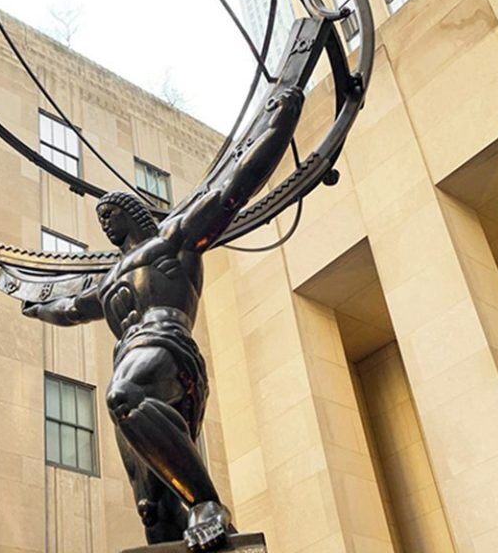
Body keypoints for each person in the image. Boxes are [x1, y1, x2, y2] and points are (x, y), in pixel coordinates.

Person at [22, 86, 303, 552]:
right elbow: (72, 308)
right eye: (101, 219)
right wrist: (32, 302)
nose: (105, 224)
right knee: (152, 511)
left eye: (110, 213)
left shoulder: (174, 240)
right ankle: (190, 527)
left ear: (132, 213)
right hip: (132, 355)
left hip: (167, 350)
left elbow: (233, 189)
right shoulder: (109, 279)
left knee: (124, 397)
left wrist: (280, 124)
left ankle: (208, 505)